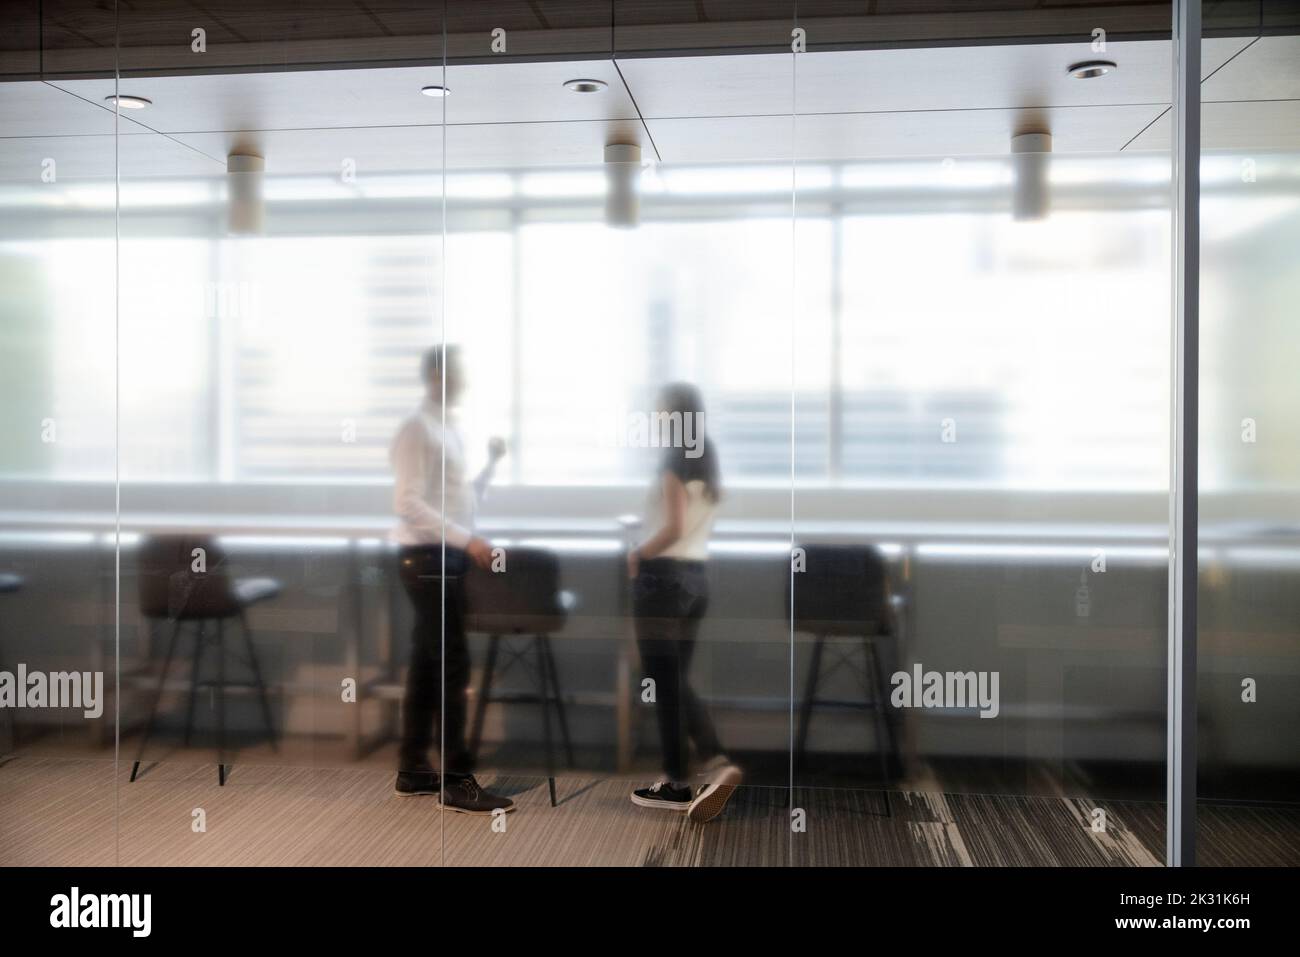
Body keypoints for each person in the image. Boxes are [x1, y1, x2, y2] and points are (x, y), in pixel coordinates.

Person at [390, 345, 514, 815]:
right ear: (437, 375)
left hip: (444, 556)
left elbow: (460, 502)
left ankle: (413, 769)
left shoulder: (450, 430)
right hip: (426, 559)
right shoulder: (417, 429)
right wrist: (468, 541)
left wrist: (491, 466)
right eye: (458, 372)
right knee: (452, 665)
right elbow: (408, 503)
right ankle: (457, 781)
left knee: (428, 664)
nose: (464, 380)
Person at [627, 383, 742, 824]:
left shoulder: (674, 458)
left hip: (662, 580)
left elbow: (673, 526)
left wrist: (639, 553)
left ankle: (701, 766)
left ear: (672, 416)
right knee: (673, 681)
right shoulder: (706, 456)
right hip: (695, 581)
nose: (655, 418)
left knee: (665, 682)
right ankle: (692, 774)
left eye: (659, 411)